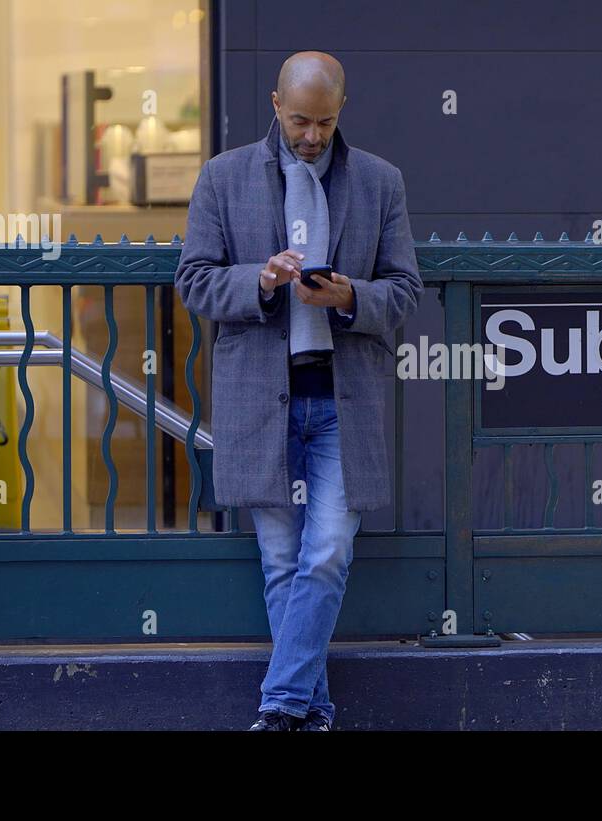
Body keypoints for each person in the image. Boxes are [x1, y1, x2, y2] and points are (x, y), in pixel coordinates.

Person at [175, 50, 422, 731]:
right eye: (300, 120)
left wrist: (350, 296)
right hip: (262, 396)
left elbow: (404, 290)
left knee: (328, 550)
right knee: (281, 559)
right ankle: (309, 714)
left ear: (342, 110)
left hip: (345, 398)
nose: (312, 135)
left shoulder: (379, 181)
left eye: (325, 121)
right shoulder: (223, 178)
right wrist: (259, 279)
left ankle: (280, 704)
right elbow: (194, 279)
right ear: (275, 106)